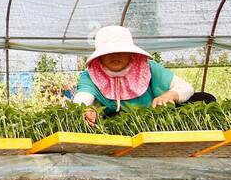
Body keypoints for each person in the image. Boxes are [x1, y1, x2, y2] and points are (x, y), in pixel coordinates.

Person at [72, 25, 206, 125]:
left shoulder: (147, 67)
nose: (115, 55)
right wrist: (85, 111)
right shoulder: (90, 75)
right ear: (99, 57)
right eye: (108, 52)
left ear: (131, 53)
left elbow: (186, 88)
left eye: (121, 50)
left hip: (154, 117)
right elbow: (82, 99)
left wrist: (169, 95)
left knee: (204, 98)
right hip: (119, 123)